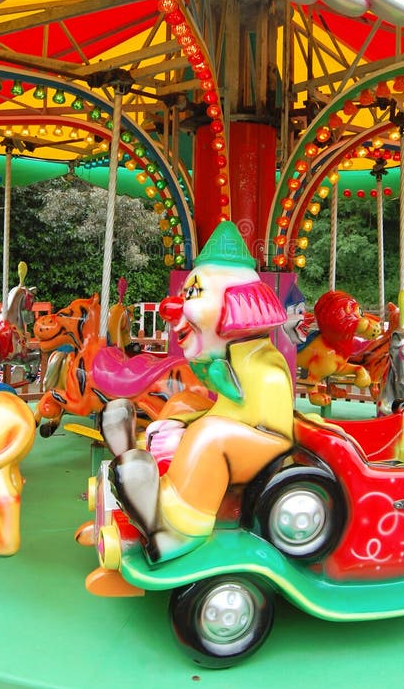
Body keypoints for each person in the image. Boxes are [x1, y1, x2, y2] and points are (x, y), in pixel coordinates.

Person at [101, 221, 295, 564]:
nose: (176, 307)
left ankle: (180, 529)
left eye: (193, 293)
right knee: (180, 409)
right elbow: (225, 408)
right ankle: (145, 479)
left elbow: (257, 425)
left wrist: (199, 427)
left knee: (211, 435)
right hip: (244, 433)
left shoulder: (265, 369)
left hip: (272, 443)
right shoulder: (232, 357)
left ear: (238, 308)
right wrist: (184, 421)